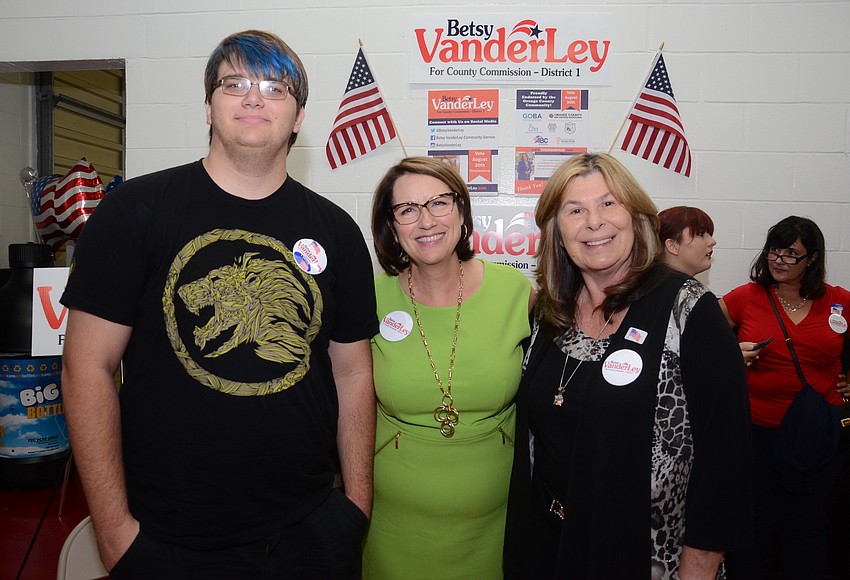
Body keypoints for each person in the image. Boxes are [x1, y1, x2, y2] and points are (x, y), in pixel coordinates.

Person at [60, 30, 377, 578]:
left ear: (299, 116)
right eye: (236, 83)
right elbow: (87, 366)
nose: (255, 98)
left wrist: (355, 510)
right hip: (168, 537)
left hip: (311, 531)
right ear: (208, 105)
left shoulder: (337, 231)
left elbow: (352, 374)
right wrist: (115, 534)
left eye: (275, 87)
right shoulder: (134, 211)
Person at [503, 152, 752, 579]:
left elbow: (725, 457)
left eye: (608, 203)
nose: (594, 222)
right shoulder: (551, 313)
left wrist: (700, 566)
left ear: (635, 217)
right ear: (556, 231)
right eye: (575, 210)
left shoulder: (688, 310)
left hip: (646, 553)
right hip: (548, 544)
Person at [364, 156, 533, 579]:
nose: (425, 221)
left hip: (496, 530)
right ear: (392, 227)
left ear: (461, 211)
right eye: (407, 210)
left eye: (439, 203)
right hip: (393, 531)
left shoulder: (517, 293)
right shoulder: (369, 299)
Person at [720, 216, 850, 579]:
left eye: (791, 253)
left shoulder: (839, 301)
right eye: (774, 250)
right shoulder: (747, 297)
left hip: (818, 435)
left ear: (812, 259)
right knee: (755, 524)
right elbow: (698, 338)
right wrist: (731, 355)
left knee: (806, 526)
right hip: (758, 431)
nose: (779, 259)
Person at [658, 205, 717, 277]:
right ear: (673, 246)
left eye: (710, 235)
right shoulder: (688, 287)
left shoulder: (649, 284)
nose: (713, 242)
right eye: (700, 234)